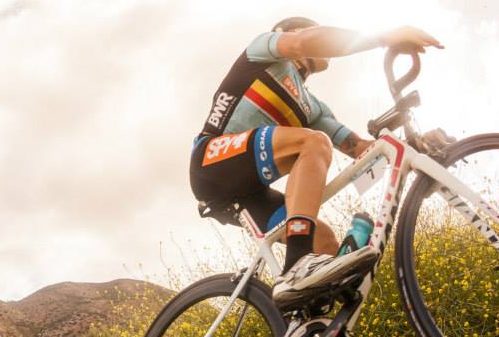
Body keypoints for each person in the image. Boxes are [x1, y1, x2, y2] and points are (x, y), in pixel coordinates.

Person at [190, 17, 445, 309]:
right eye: (311, 29)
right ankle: (297, 263)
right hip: (210, 163)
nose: (318, 37)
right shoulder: (263, 50)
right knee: (314, 142)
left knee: (324, 242)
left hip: (248, 193)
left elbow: (364, 151)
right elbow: (305, 42)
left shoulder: (311, 107)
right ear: (288, 33)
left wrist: (416, 147)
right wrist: (386, 36)